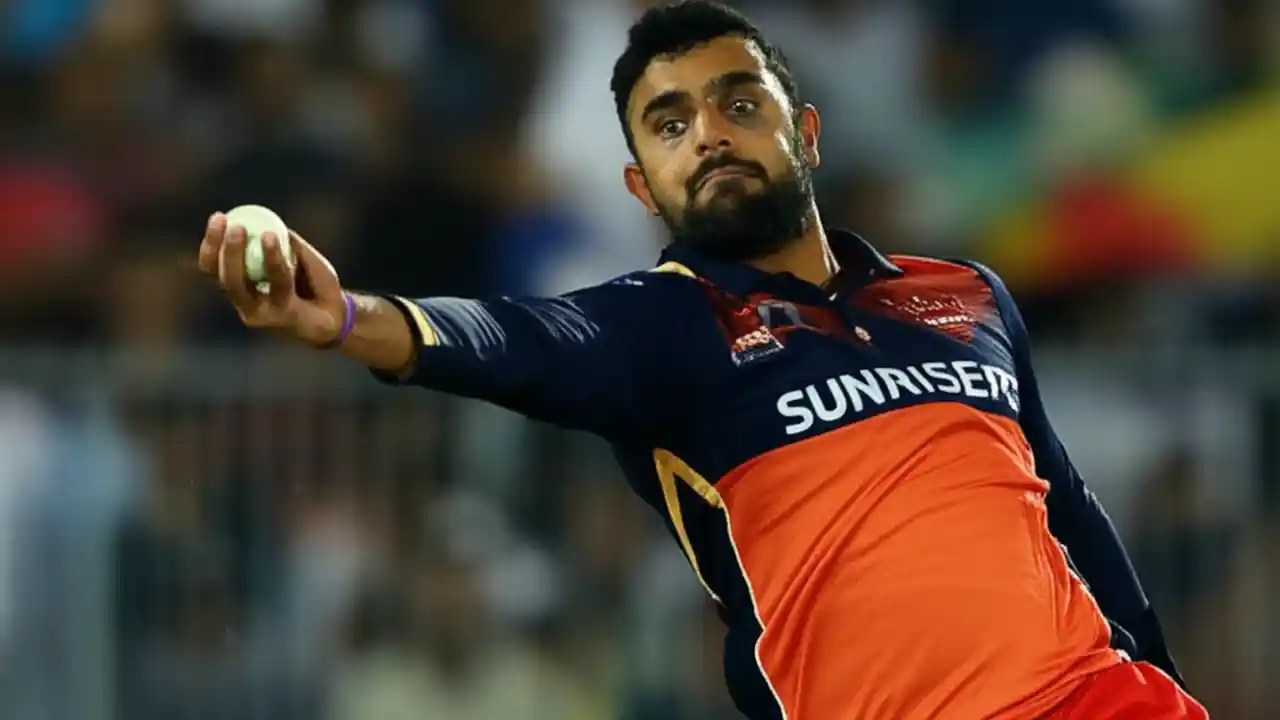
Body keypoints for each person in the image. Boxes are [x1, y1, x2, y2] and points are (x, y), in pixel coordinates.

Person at [195, 2, 1209, 718]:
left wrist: (1159, 678)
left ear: (800, 132)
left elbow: (1064, 504)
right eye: (670, 124)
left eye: (737, 103)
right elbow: (518, 341)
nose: (709, 136)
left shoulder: (963, 293)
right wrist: (346, 318)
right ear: (643, 187)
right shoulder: (665, 327)